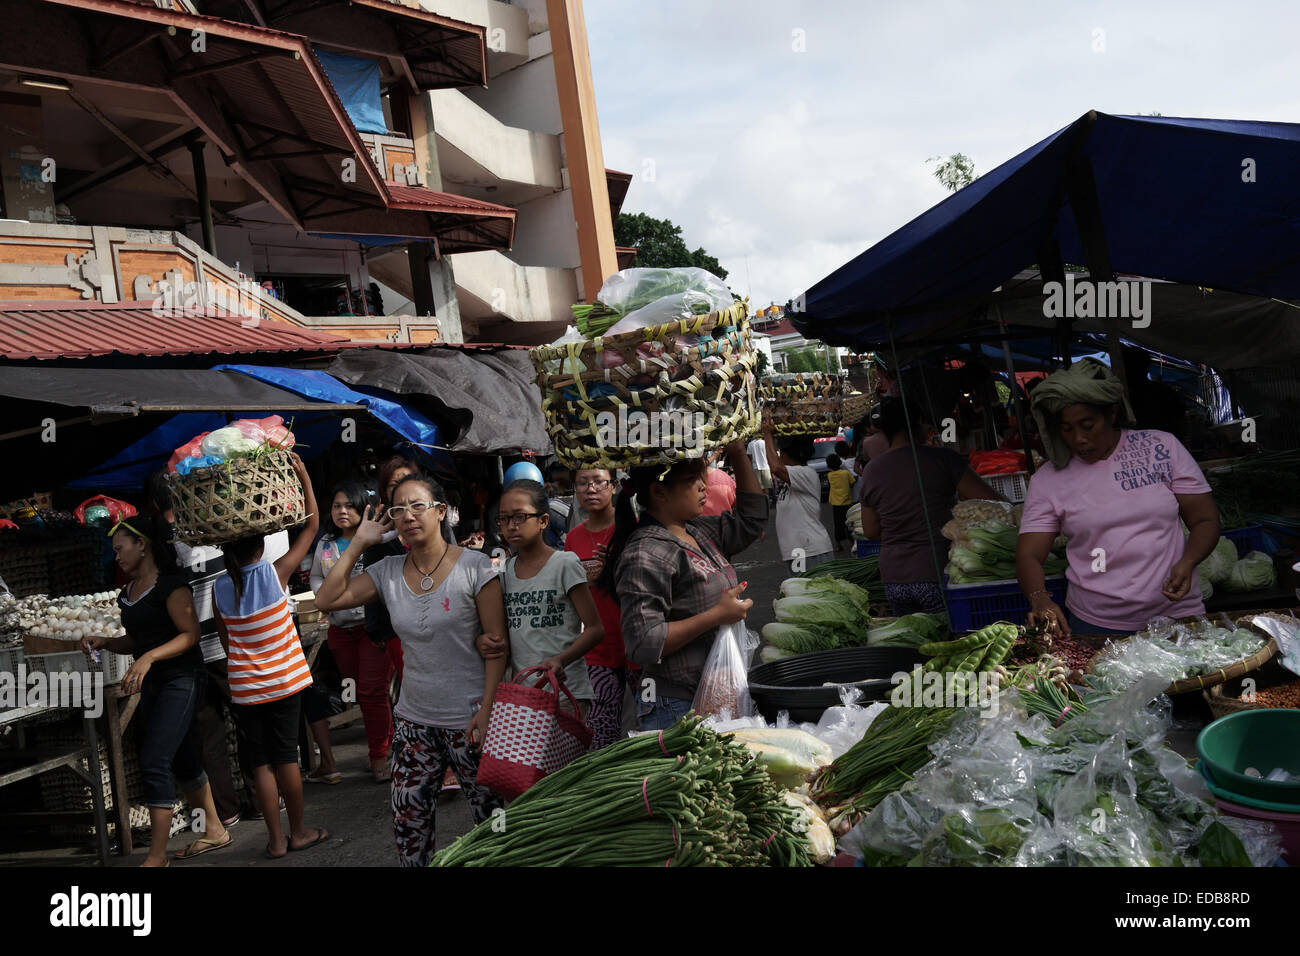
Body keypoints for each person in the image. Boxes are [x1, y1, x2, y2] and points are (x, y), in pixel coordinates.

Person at [313, 473, 508, 867]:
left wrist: (487, 711)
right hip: (414, 721)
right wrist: (359, 544)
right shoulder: (386, 572)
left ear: (440, 512)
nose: (407, 516)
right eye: (398, 509)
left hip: (471, 720)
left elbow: (497, 647)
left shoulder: (476, 567)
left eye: (417, 506)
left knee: (494, 824)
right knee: (410, 825)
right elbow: (327, 599)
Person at [1016, 358, 1220, 635]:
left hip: (1178, 615)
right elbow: (1029, 553)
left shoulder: (1161, 447)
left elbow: (1205, 520)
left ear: (1112, 413)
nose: (1078, 439)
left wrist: (1188, 561)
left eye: (1087, 425)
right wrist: (1039, 597)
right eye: (1067, 429)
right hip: (1098, 625)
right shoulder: (1049, 479)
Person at [84, 515, 229, 866]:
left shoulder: (171, 585)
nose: (116, 556)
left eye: (120, 549)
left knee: (154, 760)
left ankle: (157, 855)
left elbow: (189, 635)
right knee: (181, 758)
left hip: (182, 678)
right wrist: (105, 642)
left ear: (142, 545)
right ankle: (215, 830)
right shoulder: (128, 593)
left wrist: (147, 658)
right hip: (154, 684)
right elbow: (139, 638)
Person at [213, 453, 328, 859]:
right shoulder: (273, 573)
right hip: (284, 682)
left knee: (260, 762)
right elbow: (312, 525)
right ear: (260, 543)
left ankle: (275, 840)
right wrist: (303, 474)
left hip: (245, 689)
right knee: (287, 758)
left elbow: (228, 643)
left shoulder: (220, 589)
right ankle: (298, 832)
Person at [609, 442, 767, 729]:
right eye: (691, 480)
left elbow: (751, 520)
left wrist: (738, 453)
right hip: (675, 707)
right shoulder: (645, 553)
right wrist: (715, 616)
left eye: (701, 476)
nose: (703, 485)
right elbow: (643, 643)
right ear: (659, 492)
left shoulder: (697, 531)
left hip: (718, 695)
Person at [858, 397, 1004, 615]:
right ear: (919, 421)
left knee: (915, 642)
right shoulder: (943, 459)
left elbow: (870, 530)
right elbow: (992, 503)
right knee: (948, 641)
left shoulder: (871, 470)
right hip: (936, 571)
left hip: (894, 579)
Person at [491, 479, 604, 716]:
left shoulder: (564, 563)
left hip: (565, 692)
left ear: (543, 521)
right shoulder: (504, 572)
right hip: (523, 693)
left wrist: (562, 659)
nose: (511, 526)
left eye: (520, 517)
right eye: (504, 518)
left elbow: (594, 629)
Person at [310, 480, 394, 783]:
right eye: (336, 505)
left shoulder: (380, 539)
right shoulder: (326, 543)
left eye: (349, 505)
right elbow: (317, 578)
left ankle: (379, 757)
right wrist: (327, 600)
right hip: (340, 631)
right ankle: (391, 742)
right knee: (364, 692)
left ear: (363, 509)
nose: (342, 511)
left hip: (372, 629)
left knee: (372, 692)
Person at [563, 467, 632, 748]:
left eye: (598, 482)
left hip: (635, 646)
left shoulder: (630, 529)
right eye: (582, 483)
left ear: (613, 486)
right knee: (602, 733)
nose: (591, 489)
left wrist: (617, 565)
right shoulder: (573, 538)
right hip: (596, 652)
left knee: (639, 729)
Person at [761, 420, 834, 573]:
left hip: (810, 551)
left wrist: (767, 435)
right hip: (798, 552)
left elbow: (775, 468)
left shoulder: (807, 473)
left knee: (810, 593)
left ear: (789, 455)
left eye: (781, 453)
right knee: (801, 591)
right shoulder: (791, 482)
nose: (779, 456)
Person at [826, 454, 855, 553]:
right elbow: (853, 482)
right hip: (847, 503)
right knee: (849, 524)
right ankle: (852, 544)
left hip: (836, 504)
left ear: (828, 465)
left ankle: (838, 545)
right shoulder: (845, 473)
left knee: (838, 525)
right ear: (839, 462)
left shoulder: (829, 475)